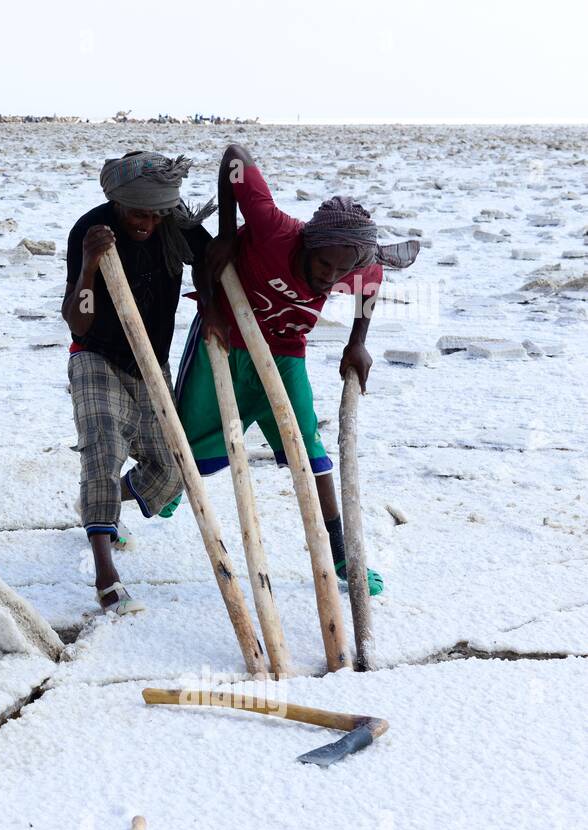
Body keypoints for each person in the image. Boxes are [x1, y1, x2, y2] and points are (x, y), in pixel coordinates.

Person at [176, 143, 421, 596]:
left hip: (286, 349)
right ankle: (140, 501)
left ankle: (342, 553)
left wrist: (357, 343)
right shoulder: (274, 230)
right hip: (225, 334)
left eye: (341, 269)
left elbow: (369, 283)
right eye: (324, 264)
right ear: (308, 244)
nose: (330, 277)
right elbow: (235, 155)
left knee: (306, 446)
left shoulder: (355, 265)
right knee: (183, 446)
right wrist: (228, 233)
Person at [62, 151, 216, 614]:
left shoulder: (174, 225)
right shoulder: (90, 231)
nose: (146, 222)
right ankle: (105, 575)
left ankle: (100, 503)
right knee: (103, 450)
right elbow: (78, 323)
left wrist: (211, 302)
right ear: (116, 203)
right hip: (97, 356)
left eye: (155, 213)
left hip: (151, 364)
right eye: (137, 213)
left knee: (173, 471)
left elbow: (214, 263)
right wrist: (90, 266)